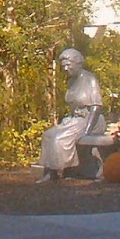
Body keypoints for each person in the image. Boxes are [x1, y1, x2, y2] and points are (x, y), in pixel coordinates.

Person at [38, 48, 104, 181]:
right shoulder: (71, 82)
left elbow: (96, 107)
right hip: (75, 119)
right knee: (49, 135)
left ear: (77, 63)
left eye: (68, 65)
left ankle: (69, 170)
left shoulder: (90, 79)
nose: (66, 69)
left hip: (91, 119)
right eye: (63, 66)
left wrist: (87, 130)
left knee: (59, 139)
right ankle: (51, 172)